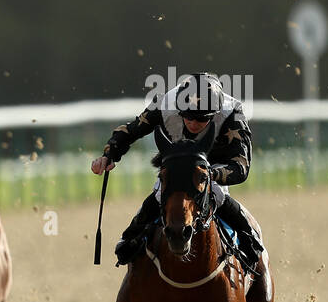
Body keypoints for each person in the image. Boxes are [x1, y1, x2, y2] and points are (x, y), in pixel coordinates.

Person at [91, 72, 265, 270]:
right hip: (176, 161)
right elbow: (131, 131)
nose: (192, 124)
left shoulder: (232, 113)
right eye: (187, 117)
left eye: (200, 120)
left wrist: (211, 175)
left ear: (215, 113)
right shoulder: (165, 103)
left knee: (216, 193)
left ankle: (250, 241)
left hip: (211, 164)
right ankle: (129, 238)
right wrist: (109, 155)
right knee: (159, 192)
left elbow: (241, 167)